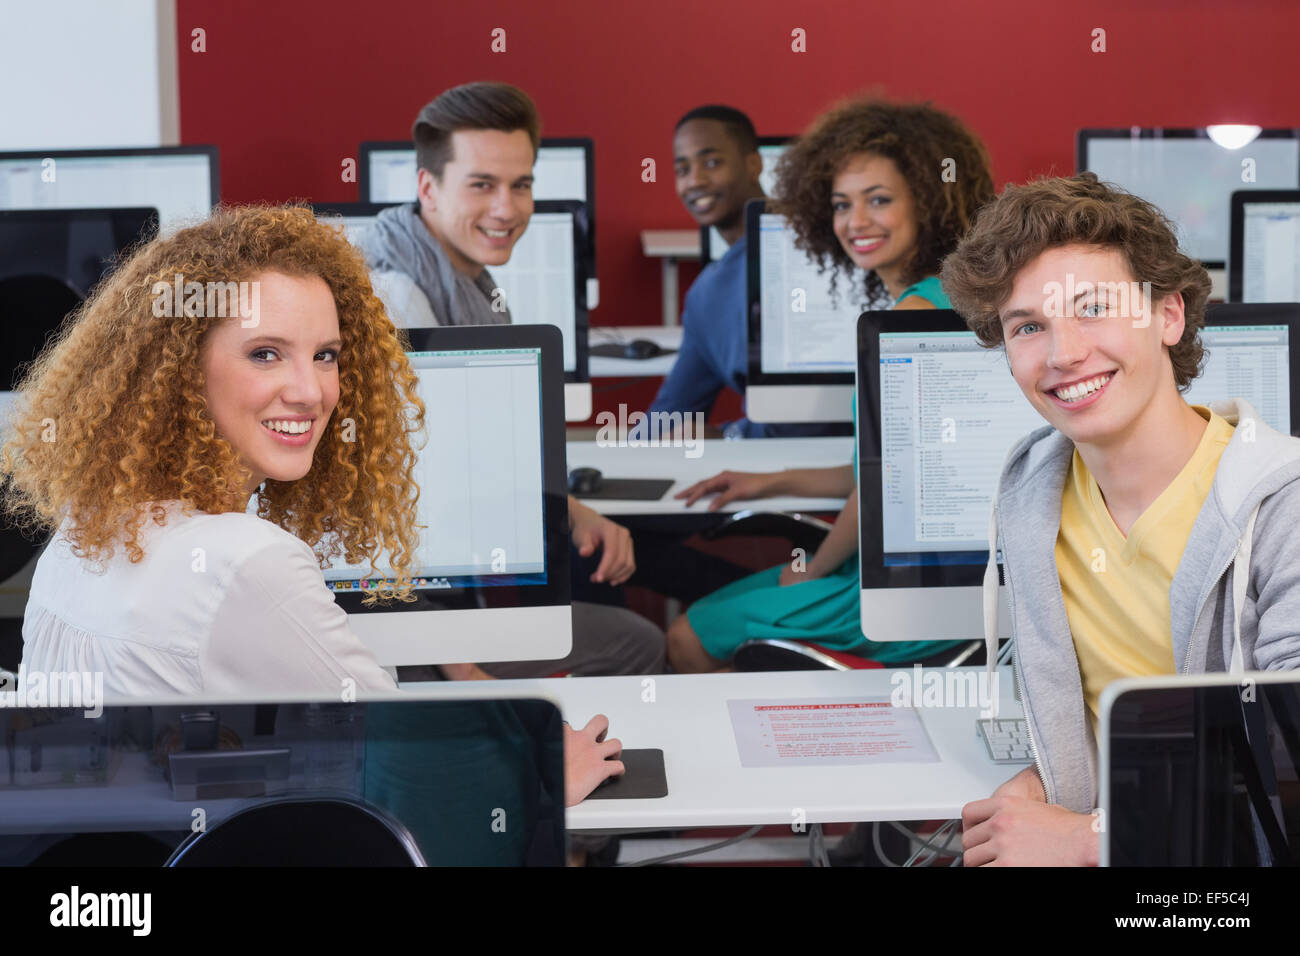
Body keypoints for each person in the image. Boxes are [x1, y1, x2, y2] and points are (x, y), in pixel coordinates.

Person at [2, 204, 623, 802]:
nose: (310, 391)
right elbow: (412, 770)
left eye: (326, 355)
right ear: (182, 371)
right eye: (265, 353)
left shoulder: (86, 528)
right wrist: (542, 772)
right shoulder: (242, 560)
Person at [941, 173, 1300, 866]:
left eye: (1094, 309)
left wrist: (1087, 840)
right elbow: (1110, 725)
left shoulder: (1283, 503)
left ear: (1169, 316)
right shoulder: (1032, 495)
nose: (1064, 354)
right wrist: (1053, 778)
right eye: (1028, 327)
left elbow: (1293, 783)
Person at [665, 98, 995, 672]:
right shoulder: (951, 296)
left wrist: (812, 570)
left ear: (931, 199)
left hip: (901, 590)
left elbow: (878, 489)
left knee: (687, 637)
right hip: (952, 579)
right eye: (842, 204)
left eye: (879, 200)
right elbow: (881, 467)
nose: (854, 222)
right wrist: (769, 483)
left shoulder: (913, 313)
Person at [357, 81, 664, 679]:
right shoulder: (395, 300)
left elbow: (480, 450)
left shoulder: (465, 285)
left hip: (445, 586)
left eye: (520, 185)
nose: (507, 208)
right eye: (481, 185)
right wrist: (456, 662)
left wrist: (575, 512)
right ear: (428, 188)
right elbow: (380, 506)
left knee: (600, 584)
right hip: (402, 614)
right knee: (635, 642)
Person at [645, 105, 873, 438]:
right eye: (682, 169)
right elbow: (669, 416)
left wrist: (730, 435)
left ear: (755, 163)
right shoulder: (707, 293)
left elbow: (818, 418)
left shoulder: (839, 244)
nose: (695, 181)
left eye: (712, 162)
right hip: (778, 462)